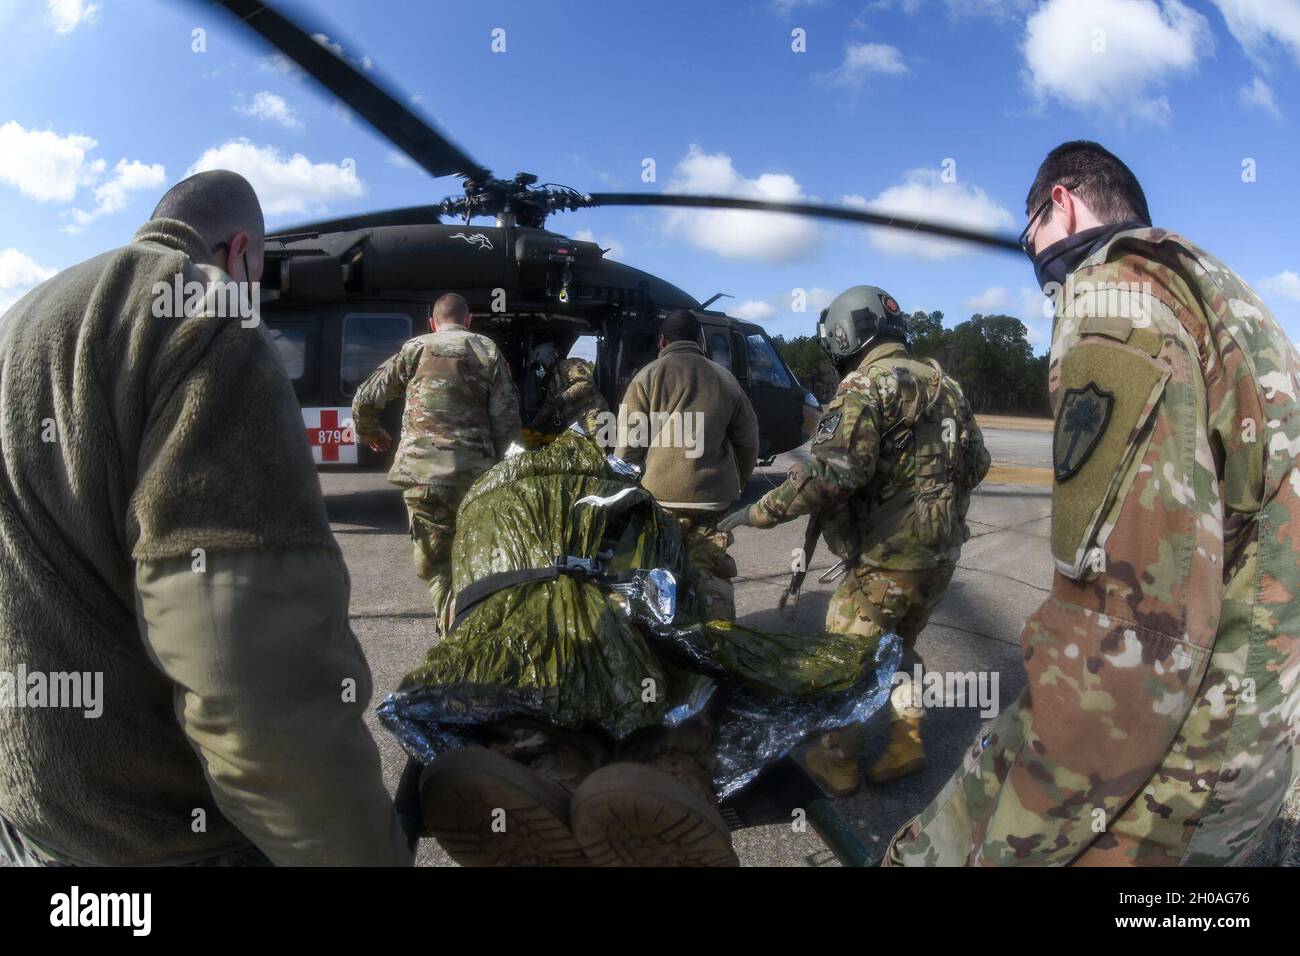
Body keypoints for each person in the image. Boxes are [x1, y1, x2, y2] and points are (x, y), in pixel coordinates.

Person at [888, 140, 1300, 866]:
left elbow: (1132, 635)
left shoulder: (1114, 299)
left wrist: (1015, 841)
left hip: (1180, 769)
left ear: (1061, 204)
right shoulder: (1229, 301)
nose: (1035, 260)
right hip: (1257, 737)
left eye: (1031, 237)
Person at [0, 171, 409, 866]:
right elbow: (253, 680)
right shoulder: (204, 314)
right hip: (163, 840)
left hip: (30, 822)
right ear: (243, 251)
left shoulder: (22, 319)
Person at [721, 286, 989, 796]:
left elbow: (830, 477)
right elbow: (977, 465)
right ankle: (906, 741)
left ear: (845, 333)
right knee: (897, 646)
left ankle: (838, 761)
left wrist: (759, 511)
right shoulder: (945, 386)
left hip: (885, 563)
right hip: (939, 558)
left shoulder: (864, 388)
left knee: (846, 656)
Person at [352, 293, 520, 628]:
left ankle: (455, 641)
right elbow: (507, 420)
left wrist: (373, 435)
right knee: (478, 561)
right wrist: (509, 473)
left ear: (432, 322)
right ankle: (468, 636)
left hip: (422, 477)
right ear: (469, 320)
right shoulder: (487, 350)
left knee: (439, 570)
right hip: (475, 478)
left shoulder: (414, 349)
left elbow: (366, 398)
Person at [614, 310, 759, 621]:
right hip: (713, 500)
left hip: (661, 501)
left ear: (662, 341)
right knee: (712, 575)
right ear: (699, 340)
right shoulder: (724, 378)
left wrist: (624, 492)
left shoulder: (648, 377)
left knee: (662, 573)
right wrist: (741, 479)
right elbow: (748, 440)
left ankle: (668, 643)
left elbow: (628, 446)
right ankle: (719, 641)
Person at [525, 341, 609, 439]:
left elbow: (585, 383)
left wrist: (563, 397)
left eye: (542, 364)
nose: (542, 368)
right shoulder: (553, 382)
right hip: (575, 422)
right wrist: (534, 425)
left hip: (591, 413)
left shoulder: (571, 364)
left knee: (596, 447)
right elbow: (549, 405)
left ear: (547, 359)